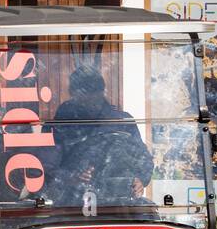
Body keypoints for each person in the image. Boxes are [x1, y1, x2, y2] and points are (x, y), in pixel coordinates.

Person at [52, 65, 153, 203]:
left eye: (93, 98)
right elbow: (51, 163)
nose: (89, 104)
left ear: (102, 92)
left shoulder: (122, 122)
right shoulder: (65, 120)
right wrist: (72, 177)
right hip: (74, 203)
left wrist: (140, 180)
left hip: (117, 204)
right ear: (73, 95)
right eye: (83, 99)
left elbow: (144, 159)